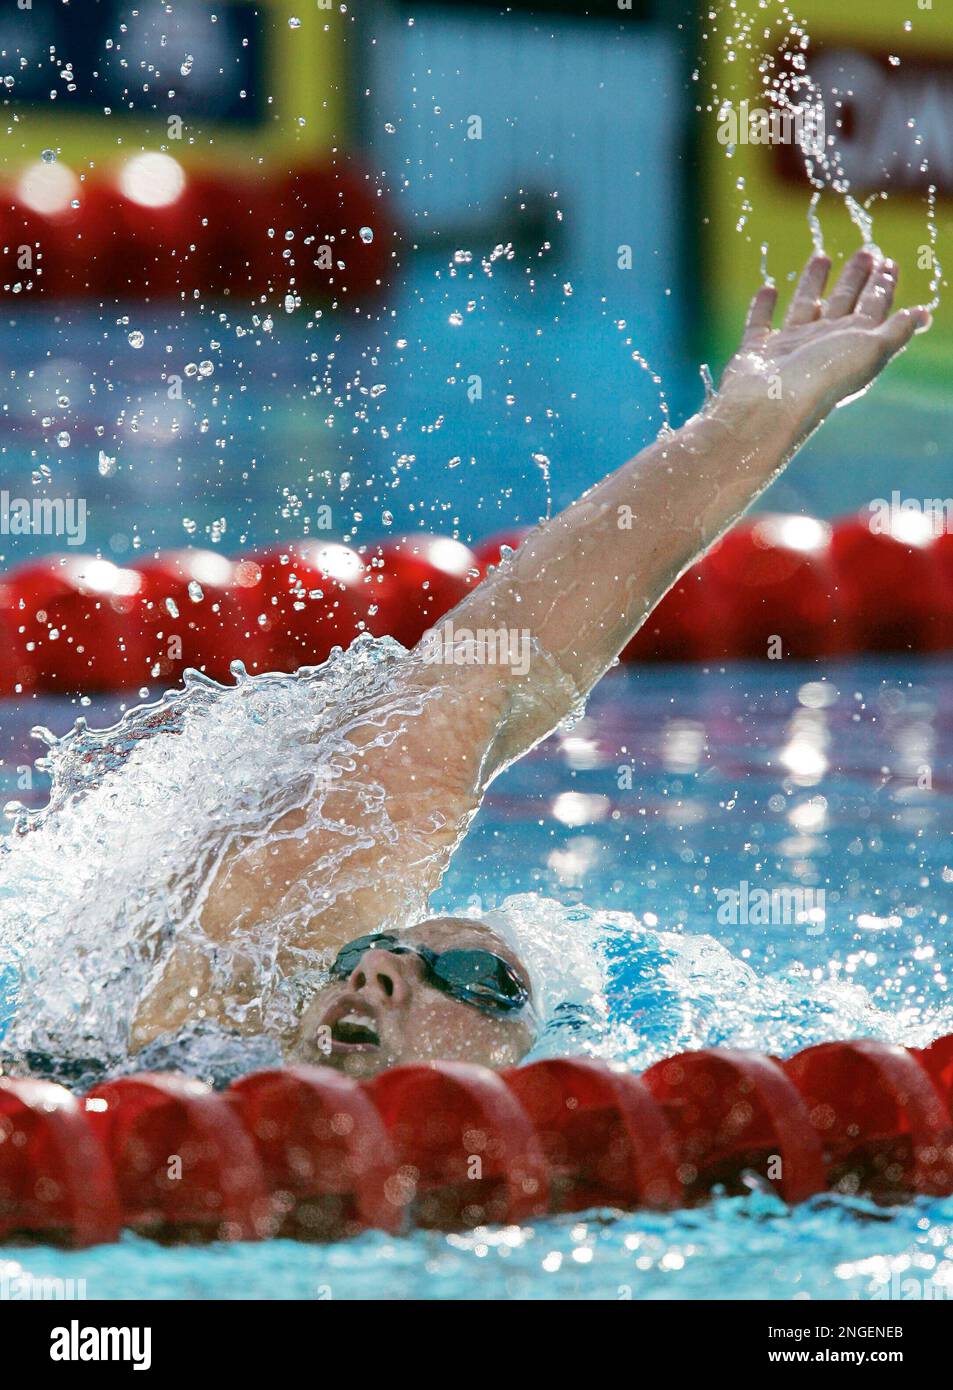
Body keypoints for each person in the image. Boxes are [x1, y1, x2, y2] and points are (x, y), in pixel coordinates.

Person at [117, 250, 928, 1078]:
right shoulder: (176, 1041)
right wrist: (740, 426)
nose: (375, 968)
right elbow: (465, 695)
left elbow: (471, 690)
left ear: (533, 1063)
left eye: (476, 980)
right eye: (359, 949)